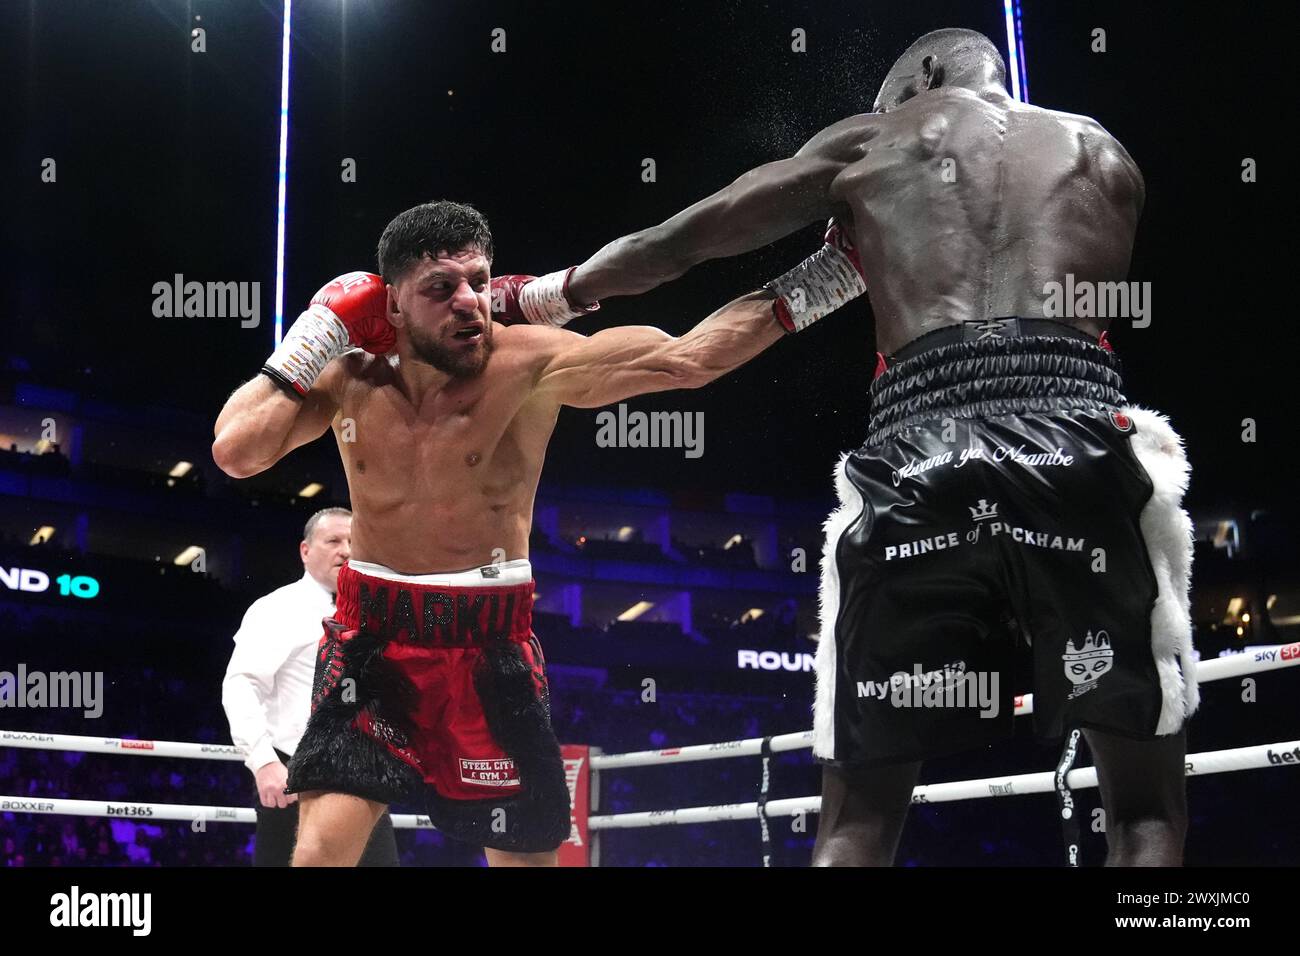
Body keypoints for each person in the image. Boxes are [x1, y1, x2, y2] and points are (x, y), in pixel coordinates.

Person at [556, 28, 1196, 866]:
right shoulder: (1103, 153)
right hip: (1080, 437)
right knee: (1144, 813)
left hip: (918, 449)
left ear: (924, 75)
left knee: (857, 822)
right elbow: (1058, 285)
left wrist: (551, 294)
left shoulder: (874, 139)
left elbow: (675, 244)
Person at [211, 200, 817, 866]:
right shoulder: (350, 375)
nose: (469, 301)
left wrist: (829, 277)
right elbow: (238, 452)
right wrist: (315, 332)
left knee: (523, 855)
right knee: (321, 853)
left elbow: (689, 360)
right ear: (393, 307)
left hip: (487, 645)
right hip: (371, 642)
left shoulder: (528, 362)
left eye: (478, 280)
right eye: (442, 289)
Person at [222, 507, 398, 866]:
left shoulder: (377, 613)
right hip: (296, 771)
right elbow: (241, 684)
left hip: (365, 772)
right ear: (305, 550)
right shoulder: (277, 608)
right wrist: (263, 762)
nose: (346, 550)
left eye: (353, 541)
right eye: (333, 541)